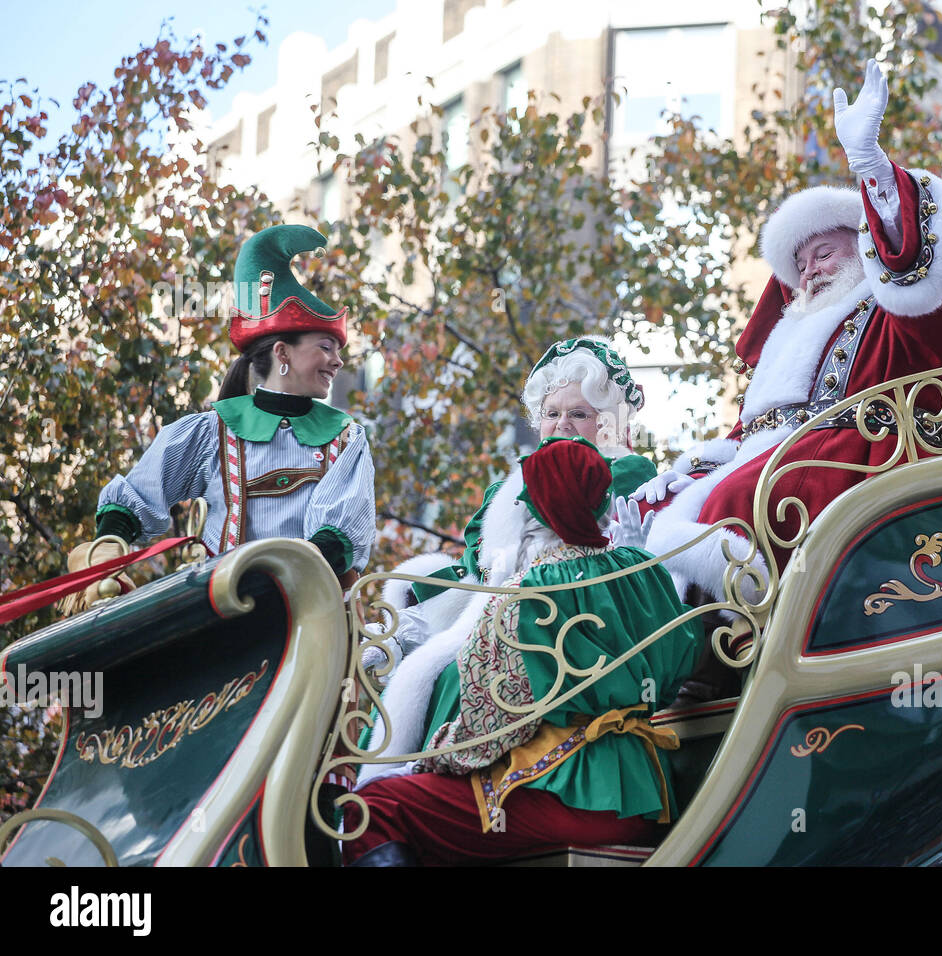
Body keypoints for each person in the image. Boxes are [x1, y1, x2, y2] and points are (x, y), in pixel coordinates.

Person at [634, 62, 942, 601]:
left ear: (864, 250)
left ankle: (736, 646)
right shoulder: (791, 333)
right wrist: (693, 466)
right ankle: (675, 655)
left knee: (737, 499)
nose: (810, 271)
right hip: (771, 458)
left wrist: (872, 169)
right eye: (801, 263)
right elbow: (752, 431)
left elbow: (929, 296)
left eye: (823, 253)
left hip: (854, 461)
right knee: (653, 507)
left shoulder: (887, 314)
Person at [345, 437, 702, 866]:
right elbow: (682, 660)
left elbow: (492, 720)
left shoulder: (525, 593)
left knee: (373, 805)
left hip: (565, 794)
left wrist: (422, 766)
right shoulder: (642, 573)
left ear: (536, 510)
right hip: (642, 793)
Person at [80, 225, 376, 599]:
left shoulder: (345, 437)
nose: (338, 361)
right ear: (282, 353)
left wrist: (283, 586)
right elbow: (137, 496)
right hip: (219, 616)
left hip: (311, 614)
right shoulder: (210, 431)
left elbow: (341, 534)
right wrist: (109, 546)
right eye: (326, 347)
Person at [362, 337, 656, 685]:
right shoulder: (510, 487)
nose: (562, 423)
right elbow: (474, 577)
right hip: (494, 625)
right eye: (552, 413)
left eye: (578, 414)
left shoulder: (625, 473)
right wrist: (408, 627)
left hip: (565, 636)